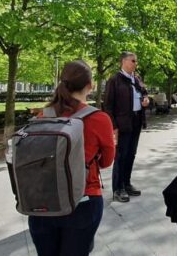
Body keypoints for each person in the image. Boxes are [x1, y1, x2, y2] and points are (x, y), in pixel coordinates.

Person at [28, 61, 115, 256]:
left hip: (43, 203)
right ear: (90, 85)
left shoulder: (44, 115)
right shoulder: (99, 119)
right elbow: (107, 161)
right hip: (82, 200)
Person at [104, 51, 149, 203]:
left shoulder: (136, 79)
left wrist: (145, 100)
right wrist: (113, 126)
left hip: (136, 122)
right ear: (123, 61)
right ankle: (118, 189)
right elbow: (108, 106)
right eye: (133, 61)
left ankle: (127, 184)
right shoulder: (114, 80)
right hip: (122, 124)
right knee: (121, 156)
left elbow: (144, 93)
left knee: (131, 154)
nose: (136, 64)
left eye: (136, 61)